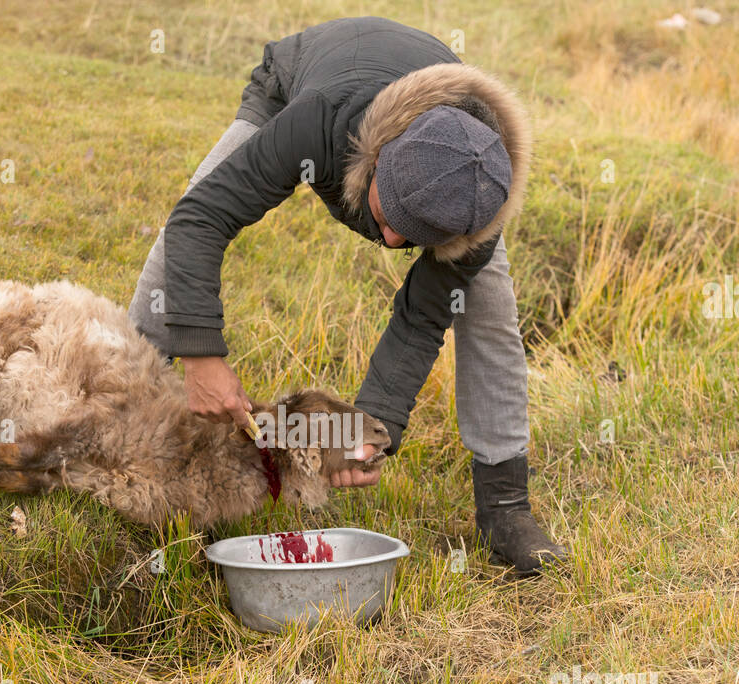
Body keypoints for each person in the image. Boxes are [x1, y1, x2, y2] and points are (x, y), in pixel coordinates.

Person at [128, 16, 567, 575]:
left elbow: (421, 318)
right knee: (183, 228)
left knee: (488, 307)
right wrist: (201, 354)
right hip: (302, 81)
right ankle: (127, 409)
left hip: (430, 153)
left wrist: (371, 428)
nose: (388, 241)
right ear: (379, 157)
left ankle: (506, 508)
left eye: (411, 238)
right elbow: (202, 220)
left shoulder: (477, 200)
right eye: (388, 217)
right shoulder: (317, 123)